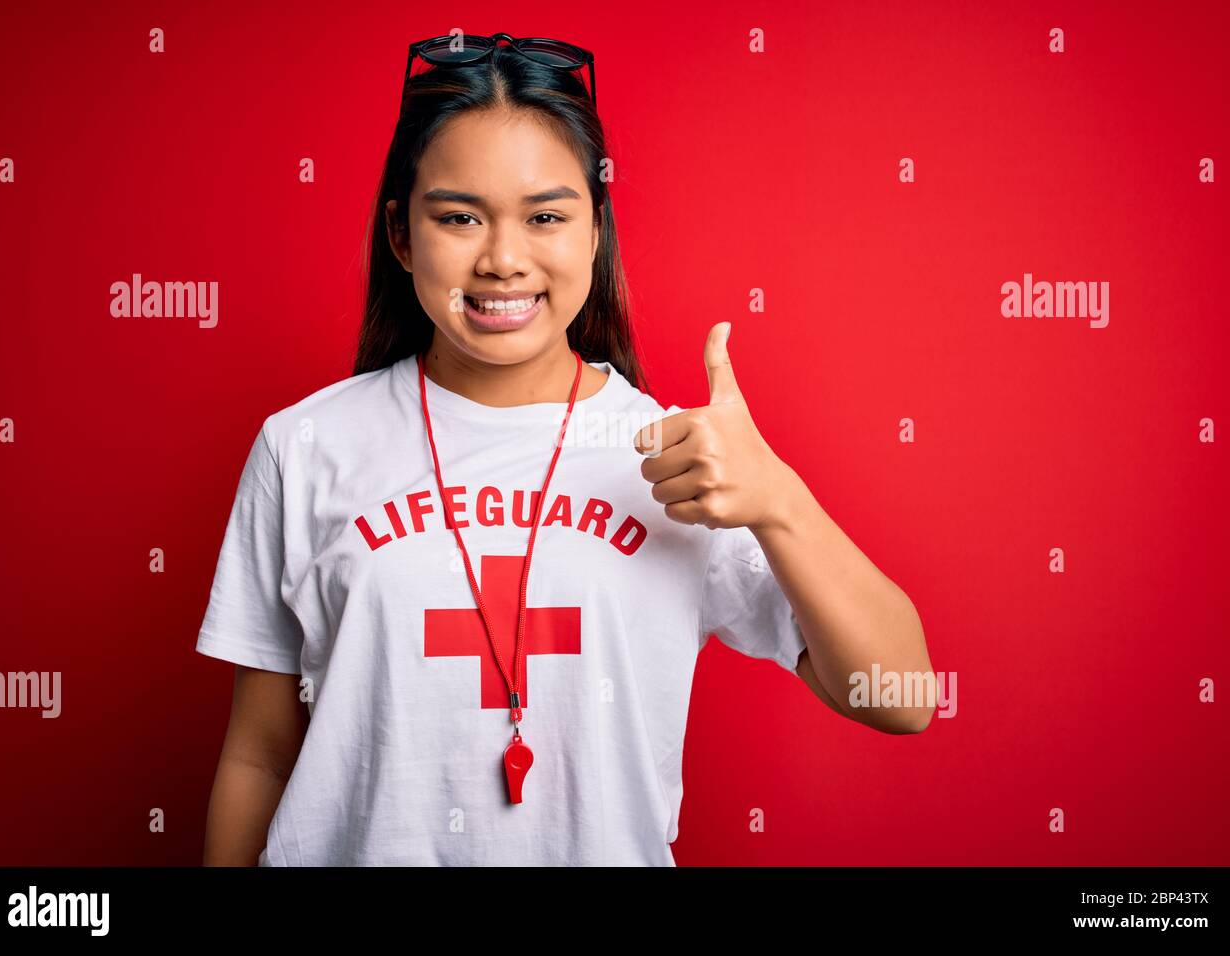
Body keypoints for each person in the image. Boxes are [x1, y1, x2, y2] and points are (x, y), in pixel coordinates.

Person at [198, 33, 933, 866]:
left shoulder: (676, 455)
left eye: (546, 216)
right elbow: (258, 754)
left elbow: (903, 697)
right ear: (402, 236)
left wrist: (782, 503)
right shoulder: (304, 446)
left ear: (594, 232)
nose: (504, 259)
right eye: (459, 217)